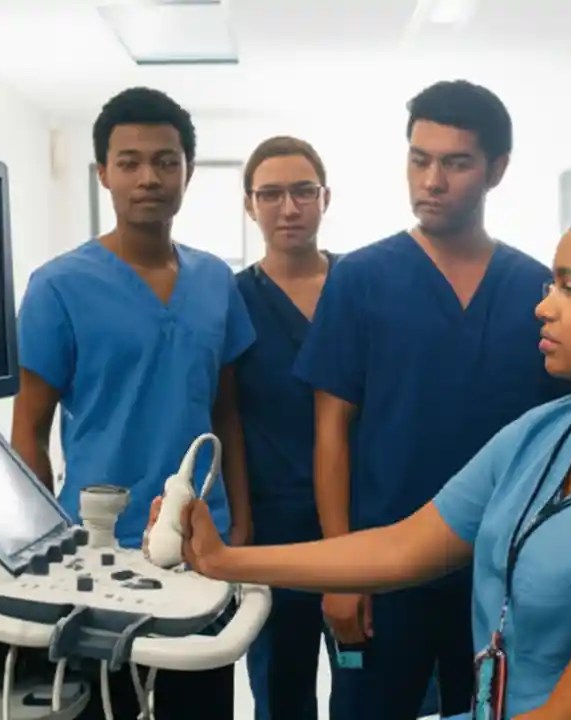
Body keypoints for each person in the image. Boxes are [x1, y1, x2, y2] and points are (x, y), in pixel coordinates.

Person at [152, 179, 571, 720]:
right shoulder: (547, 432)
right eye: (550, 285)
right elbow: (401, 547)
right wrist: (224, 559)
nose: (543, 307)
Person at [290, 80, 571, 720]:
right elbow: (331, 431)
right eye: (419, 159)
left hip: (505, 574)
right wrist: (341, 572)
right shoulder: (360, 279)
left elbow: (570, 437)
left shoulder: (538, 289)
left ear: (496, 170)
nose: (432, 180)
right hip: (384, 570)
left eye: (455, 162)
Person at [11, 86, 254, 719]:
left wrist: (242, 527)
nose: (149, 177)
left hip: (202, 541)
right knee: (105, 706)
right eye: (129, 162)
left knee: (198, 703)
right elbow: (28, 431)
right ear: (104, 174)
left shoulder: (215, 282)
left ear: (187, 173)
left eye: (166, 161)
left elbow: (226, 415)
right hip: (96, 549)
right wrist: (37, 555)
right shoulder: (59, 286)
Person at [234, 135, 337, 719]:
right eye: (270, 195)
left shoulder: (361, 286)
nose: (288, 208)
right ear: (250, 205)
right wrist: (242, 526)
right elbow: (224, 414)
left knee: (369, 682)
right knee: (281, 689)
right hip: (275, 524)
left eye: (303, 192)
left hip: (362, 520)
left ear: (326, 198)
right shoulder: (232, 299)